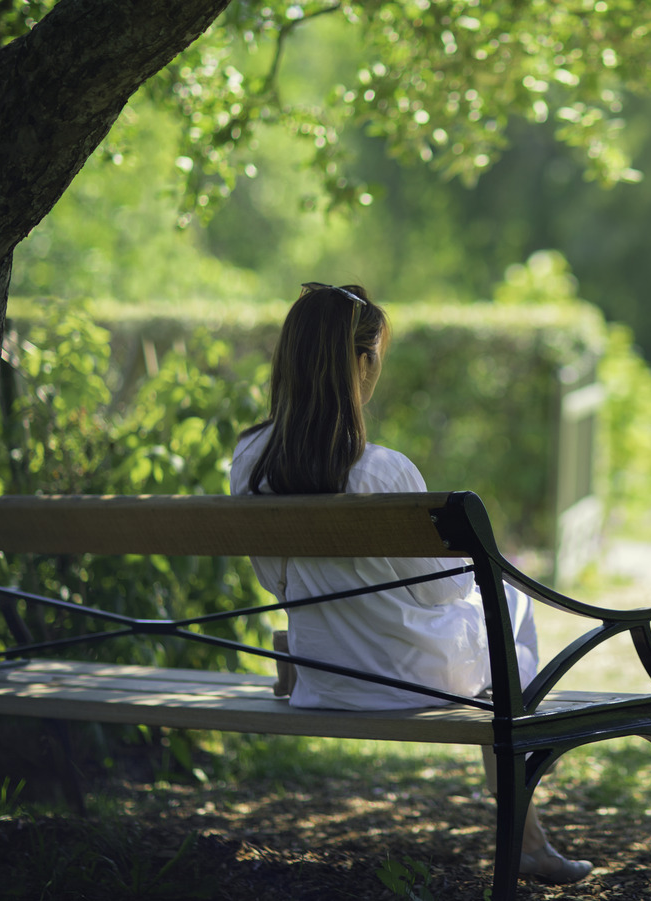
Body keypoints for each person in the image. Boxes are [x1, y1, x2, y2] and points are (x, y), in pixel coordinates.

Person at [230, 281, 593, 885]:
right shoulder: (382, 469)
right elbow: (441, 591)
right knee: (511, 606)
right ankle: (527, 818)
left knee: (498, 624)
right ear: (363, 361)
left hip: (328, 677)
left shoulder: (249, 459)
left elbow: (277, 579)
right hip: (408, 681)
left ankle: (296, 653)